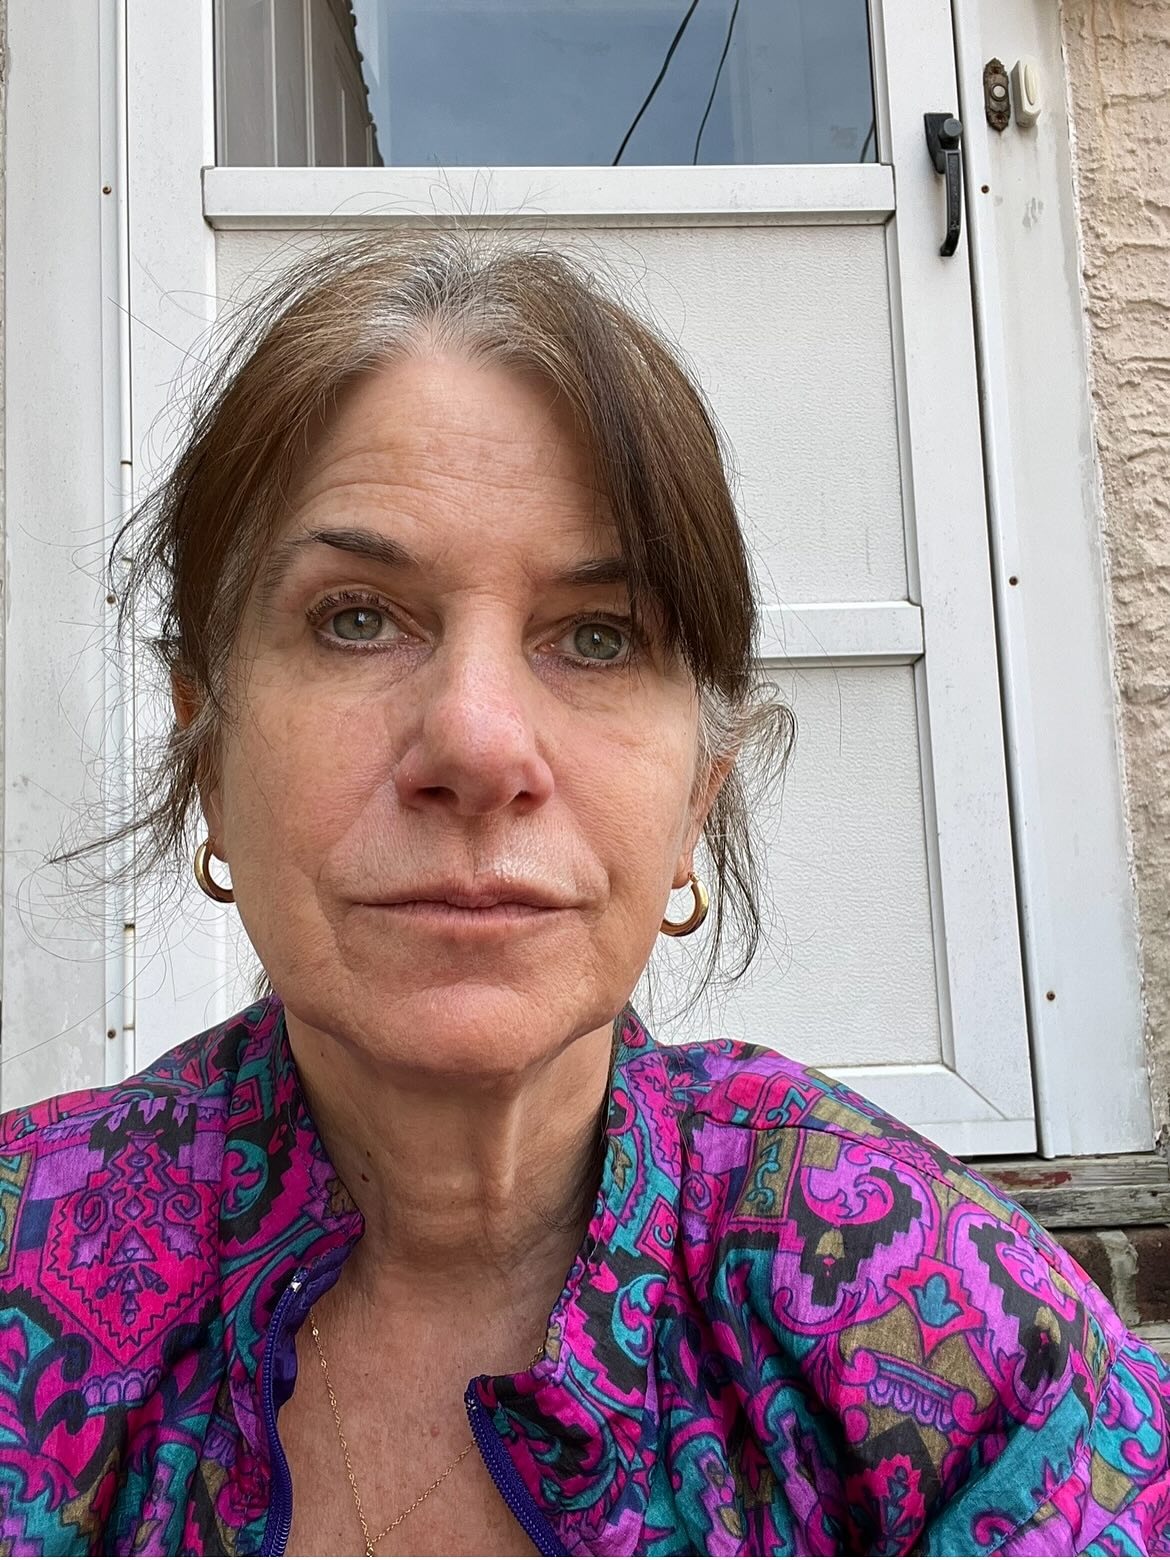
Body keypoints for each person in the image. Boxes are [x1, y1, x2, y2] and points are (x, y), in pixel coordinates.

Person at [0, 233, 1167, 1559]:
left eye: (597, 636)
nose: (477, 743)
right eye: (355, 618)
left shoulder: (914, 1298)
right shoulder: (29, 1262)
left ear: (698, 795)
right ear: (205, 742)